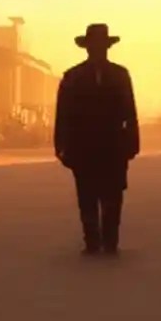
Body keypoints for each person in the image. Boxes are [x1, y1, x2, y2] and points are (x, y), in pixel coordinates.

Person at [54, 23, 140, 256]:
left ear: (107, 48)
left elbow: (130, 111)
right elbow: (62, 113)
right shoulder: (72, 77)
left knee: (113, 194)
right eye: (94, 46)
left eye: (101, 46)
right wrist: (60, 145)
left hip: (114, 144)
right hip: (83, 145)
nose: (97, 51)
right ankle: (92, 240)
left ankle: (110, 240)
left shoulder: (120, 75)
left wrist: (132, 143)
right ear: (87, 48)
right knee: (87, 194)